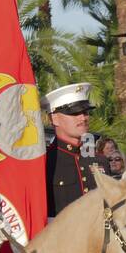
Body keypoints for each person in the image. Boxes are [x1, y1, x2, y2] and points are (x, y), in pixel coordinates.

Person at [44, 82, 102, 217]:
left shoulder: (99, 160)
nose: (83, 118)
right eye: (74, 113)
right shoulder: (46, 163)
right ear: (54, 118)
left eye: (85, 112)